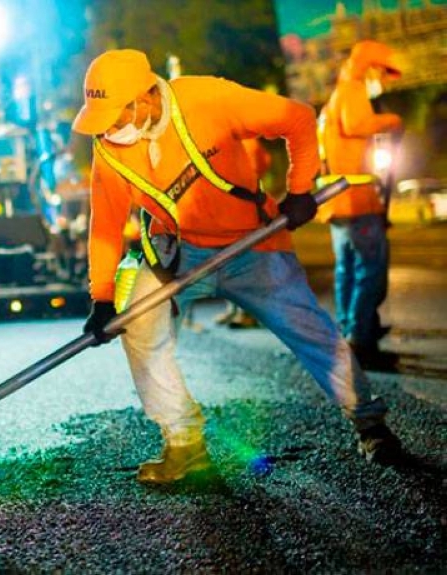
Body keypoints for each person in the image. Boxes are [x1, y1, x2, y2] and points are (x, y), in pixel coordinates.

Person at [73, 49, 402, 484]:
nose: (111, 129)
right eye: (104, 120)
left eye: (117, 116)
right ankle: (184, 444)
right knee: (139, 327)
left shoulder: (208, 98)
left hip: (253, 245)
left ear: (146, 96)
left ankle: (370, 424)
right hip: (178, 253)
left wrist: (300, 188)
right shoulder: (110, 150)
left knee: (311, 332)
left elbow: (298, 118)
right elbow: (105, 227)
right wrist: (101, 298)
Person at [317, 41, 405, 371]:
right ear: (369, 68)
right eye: (382, 72)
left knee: (348, 270)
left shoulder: (331, 102)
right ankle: (359, 338)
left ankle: (354, 329)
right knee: (371, 271)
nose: (382, 80)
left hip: (336, 202)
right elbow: (356, 125)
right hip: (356, 201)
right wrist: (391, 121)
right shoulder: (352, 91)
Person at [213, 138, 274, 329]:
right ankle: (234, 309)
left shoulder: (247, 142)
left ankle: (247, 313)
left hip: (241, 208)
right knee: (228, 262)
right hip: (229, 207)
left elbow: (259, 165)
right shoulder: (228, 140)